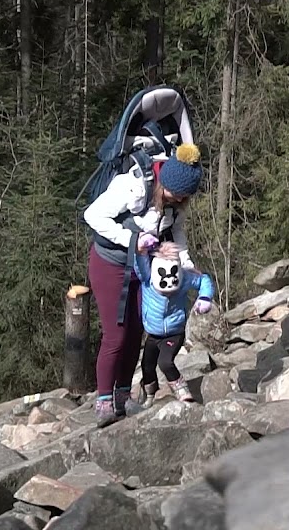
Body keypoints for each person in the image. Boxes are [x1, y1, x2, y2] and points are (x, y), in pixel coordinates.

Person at [83, 142, 204, 427]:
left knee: (138, 331)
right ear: (165, 183)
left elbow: (175, 233)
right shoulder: (134, 187)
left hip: (143, 266)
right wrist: (132, 240)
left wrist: (186, 264)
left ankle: (123, 400)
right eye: (176, 194)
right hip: (109, 263)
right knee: (116, 334)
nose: (179, 201)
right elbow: (92, 216)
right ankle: (103, 402)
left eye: (185, 197)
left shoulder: (175, 203)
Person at [131, 241, 215, 405]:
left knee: (165, 362)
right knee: (147, 366)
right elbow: (140, 263)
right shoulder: (147, 279)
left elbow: (203, 280)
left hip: (175, 332)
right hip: (153, 334)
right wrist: (140, 250)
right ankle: (149, 395)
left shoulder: (184, 278)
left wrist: (205, 297)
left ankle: (183, 392)